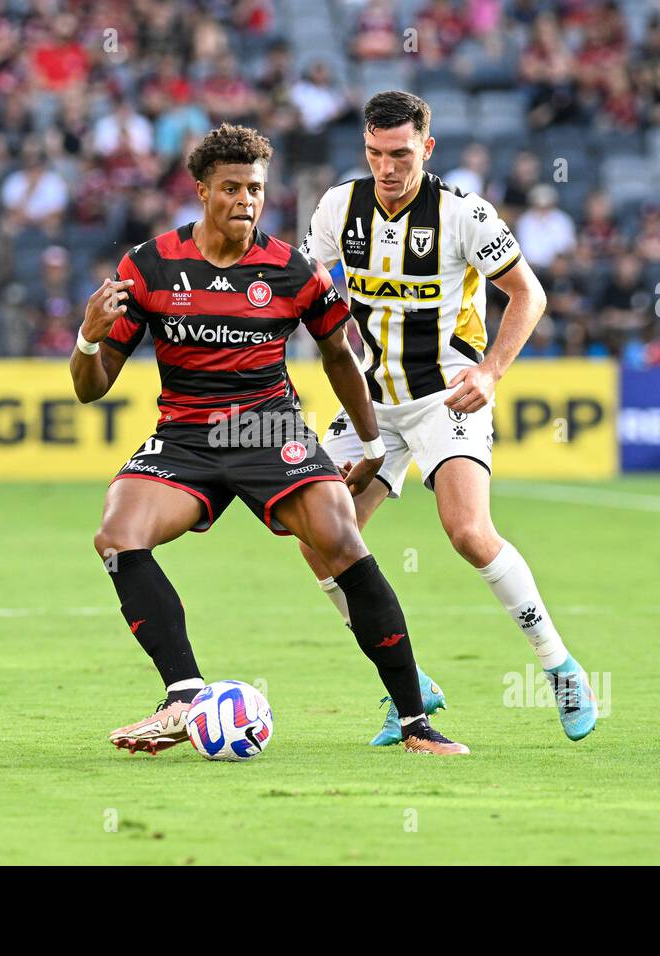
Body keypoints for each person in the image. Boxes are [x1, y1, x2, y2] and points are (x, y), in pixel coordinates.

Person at [71, 124, 468, 757]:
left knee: (342, 539)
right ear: (202, 190)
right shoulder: (147, 266)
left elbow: (340, 353)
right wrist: (89, 336)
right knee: (117, 537)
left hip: (269, 428)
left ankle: (416, 723)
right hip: (186, 435)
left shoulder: (291, 270)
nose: (245, 201)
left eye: (255, 188)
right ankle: (182, 696)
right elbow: (91, 387)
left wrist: (370, 444)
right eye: (230, 188)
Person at [300, 91, 598, 745]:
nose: (387, 168)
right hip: (372, 403)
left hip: (445, 398)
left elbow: (529, 293)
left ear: (426, 149)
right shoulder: (335, 210)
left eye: (401, 154)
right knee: (317, 539)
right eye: (376, 154)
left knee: (466, 531)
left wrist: (490, 371)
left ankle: (560, 666)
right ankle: (409, 687)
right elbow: (306, 294)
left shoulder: (466, 214)